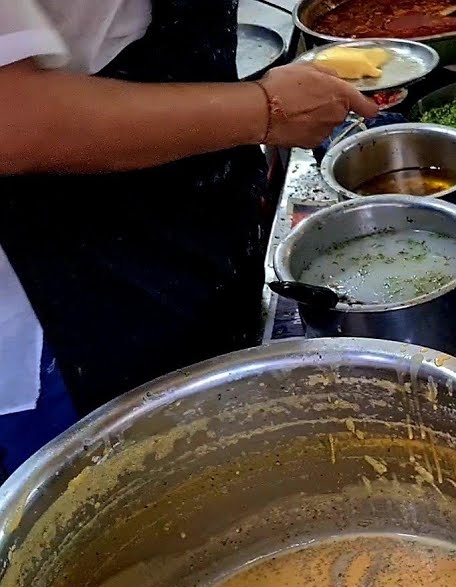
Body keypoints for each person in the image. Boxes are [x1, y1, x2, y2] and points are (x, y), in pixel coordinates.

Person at [0, 0, 378, 477]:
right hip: (69, 289)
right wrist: (263, 110)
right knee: (140, 490)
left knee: (236, 450)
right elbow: (12, 120)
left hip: (192, 209)